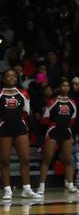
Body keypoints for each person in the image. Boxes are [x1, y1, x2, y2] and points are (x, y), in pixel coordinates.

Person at [0, 69, 41, 199]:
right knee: (5, 160)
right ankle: (7, 190)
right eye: (8, 75)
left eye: (13, 76)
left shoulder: (23, 93)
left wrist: (20, 122)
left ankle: (26, 189)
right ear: (4, 78)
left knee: (25, 159)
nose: (11, 78)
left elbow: (26, 112)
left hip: (20, 129)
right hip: (4, 129)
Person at [39, 78, 79, 195]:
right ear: (59, 88)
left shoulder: (72, 102)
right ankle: (41, 187)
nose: (65, 88)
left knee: (68, 160)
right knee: (47, 159)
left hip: (66, 132)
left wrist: (64, 125)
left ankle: (70, 185)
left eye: (67, 86)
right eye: (63, 85)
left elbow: (72, 120)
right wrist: (55, 124)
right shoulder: (52, 102)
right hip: (53, 132)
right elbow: (44, 119)